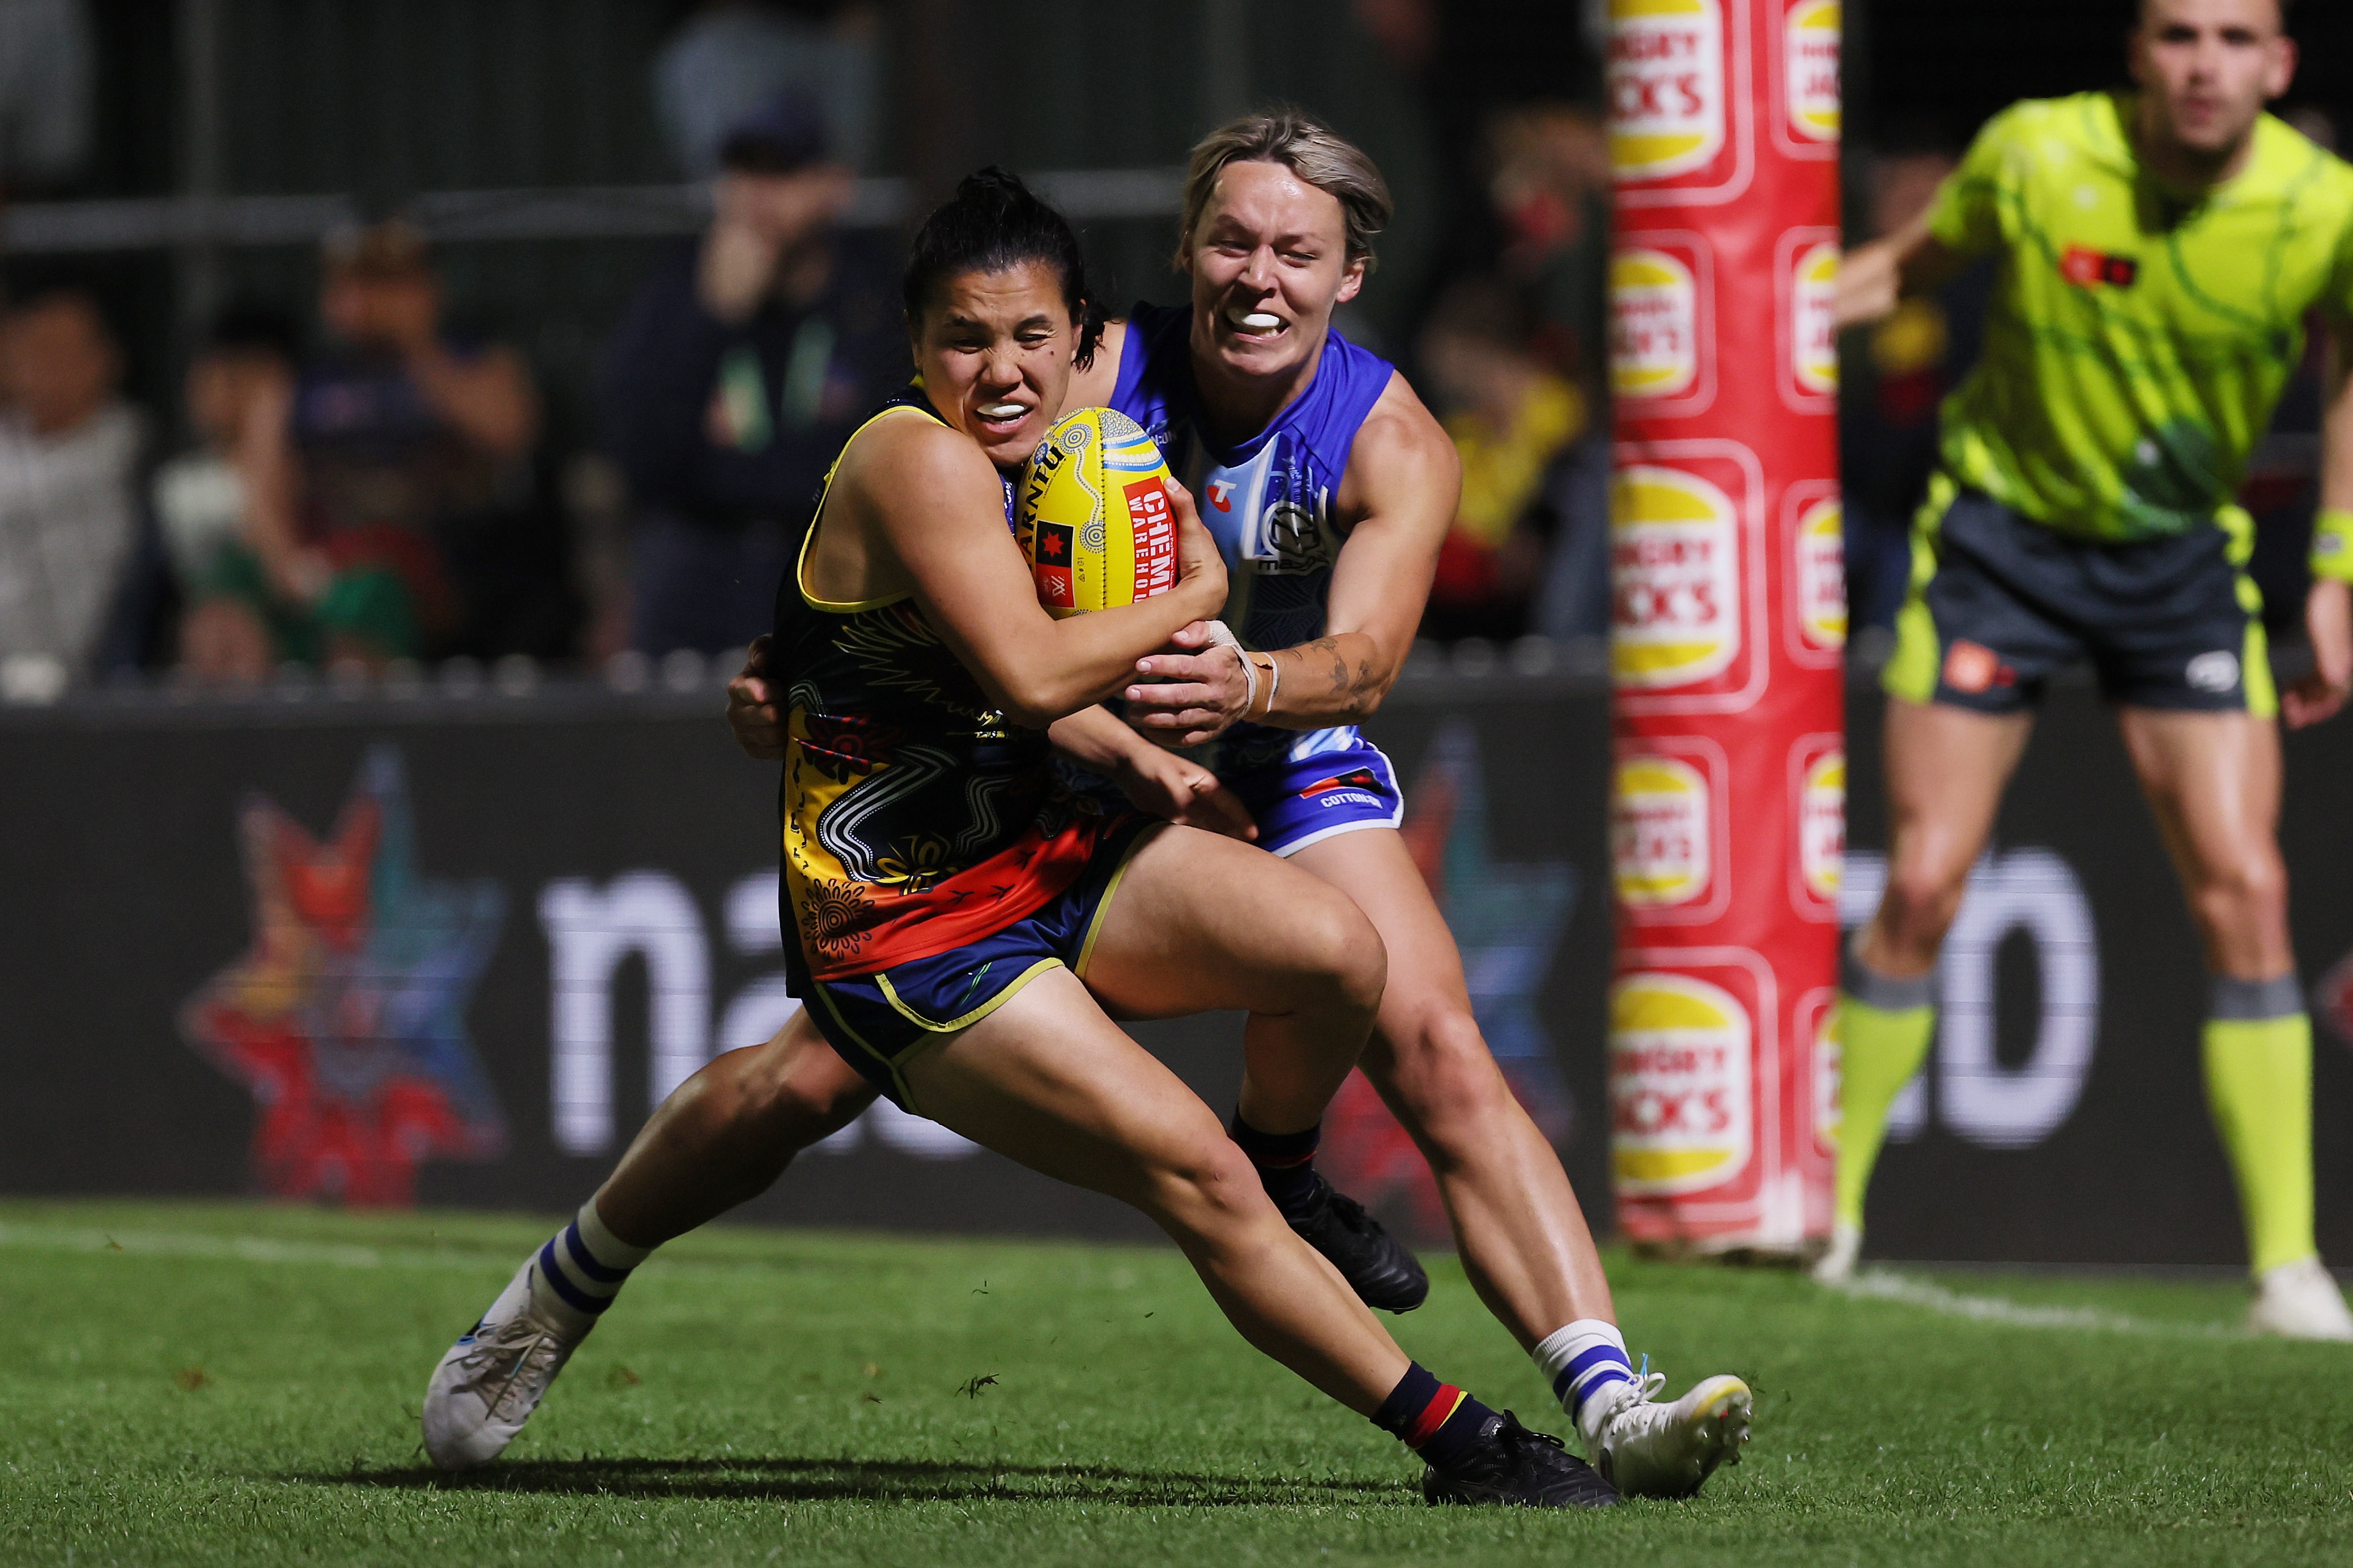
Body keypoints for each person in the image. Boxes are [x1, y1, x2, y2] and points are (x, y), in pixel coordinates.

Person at [426, 170, 1619, 1510]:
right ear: (914, 344)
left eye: (1030, 336)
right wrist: (1201, 587)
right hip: (910, 922)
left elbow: (990, 678)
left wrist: (1132, 758)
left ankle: (1292, 1173)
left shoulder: (1060, 460)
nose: (999, 369)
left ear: (1080, 341)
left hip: (1043, 847)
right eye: (964, 338)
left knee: (1336, 951)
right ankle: (1468, 1445)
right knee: (1175, 1167)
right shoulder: (921, 458)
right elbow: (1033, 671)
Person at [687, 112, 1750, 1498]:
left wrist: (1245, 682)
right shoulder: (1084, 362)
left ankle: (1608, 1403)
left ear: (1350, 273)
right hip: (1055, 762)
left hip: (1282, 749)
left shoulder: (1395, 441)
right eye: (1233, 242)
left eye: (1296, 253)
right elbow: (907, 496)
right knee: (803, 1079)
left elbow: (1365, 663)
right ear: (1186, 247)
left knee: (1432, 1034)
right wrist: (790, 668)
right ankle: (554, 1295)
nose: (1259, 277)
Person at [1821, 0, 2353, 1341]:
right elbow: (1902, 273)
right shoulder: (2037, 152)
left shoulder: (2323, 207)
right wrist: (1728, 330)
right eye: (2177, 35)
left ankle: (2287, 1268)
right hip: (1999, 545)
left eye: (2233, 39)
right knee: (1923, 882)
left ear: (2279, 64)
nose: (2203, 64)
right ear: (2135, 53)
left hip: (2180, 564)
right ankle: (1831, 1222)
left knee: (2249, 888)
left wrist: (2336, 566)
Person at [601, 89, 907, 657]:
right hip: (704, 568)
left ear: (833, 185)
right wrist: (711, 321)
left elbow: (888, 463)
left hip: (826, 561)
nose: (759, 195)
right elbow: (641, 459)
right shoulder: (678, 291)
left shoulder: (873, 299)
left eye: (783, 172)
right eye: (743, 172)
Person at [278, 220, 544, 665]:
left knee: (372, 597)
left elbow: (509, 431)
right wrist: (297, 572)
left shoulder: (471, 362)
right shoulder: (308, 382)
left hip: (444, 572)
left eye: (382, 282)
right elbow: (265, 496)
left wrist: (417, 344)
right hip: (334, 566)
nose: (364, 299)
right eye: (349, 281)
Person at [0, 288, 144, 689]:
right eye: (32, 349)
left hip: (98, 681)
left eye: (61, 352)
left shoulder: (133, 445)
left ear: (106, 359)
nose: (44, 367)